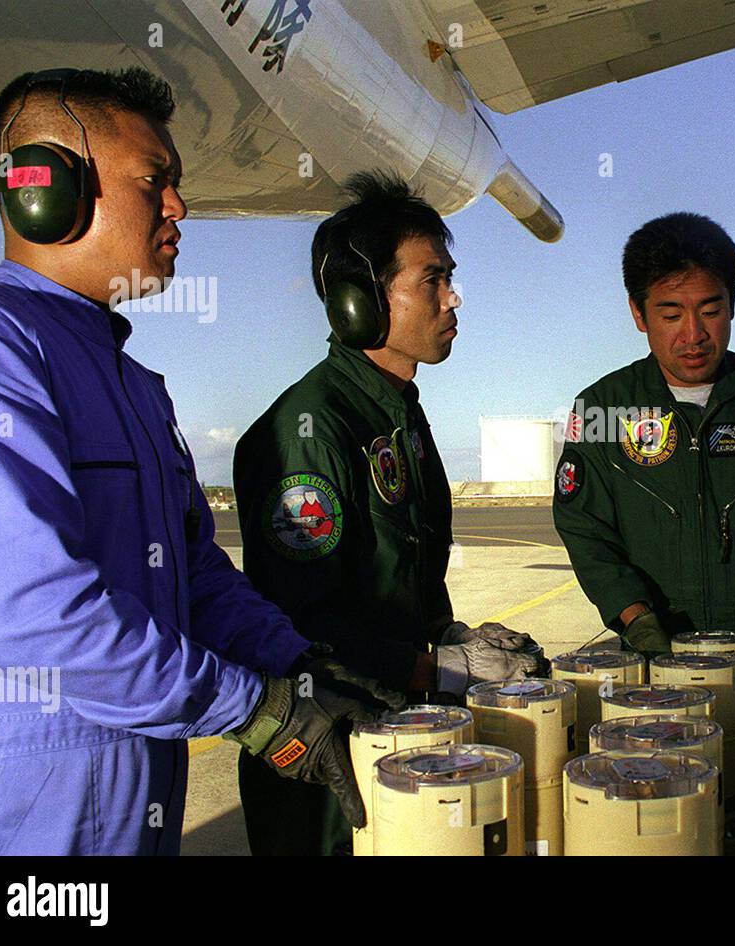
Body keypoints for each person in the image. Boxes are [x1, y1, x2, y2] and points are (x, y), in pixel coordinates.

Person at [0, 68, 394, 855]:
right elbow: (34, 620)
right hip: (31, 835)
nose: (179, 207)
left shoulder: (135, 386)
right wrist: (258, 711)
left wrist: (297, 663)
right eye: (155, 181)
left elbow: (193, 576)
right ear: (45, 189)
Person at [233, 170, 541, 855]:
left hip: (395, 736)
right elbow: (301, 625)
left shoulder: (398, 413)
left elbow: (402, 582)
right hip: (327, 763)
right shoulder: (308, 430)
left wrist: (460, 639)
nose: (454, 297)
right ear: (360, 300)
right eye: (433, 279)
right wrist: (440, 667)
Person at [552, 212, 735, 718]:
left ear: (733, 306)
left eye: (710, 311)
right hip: (653, 669)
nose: (693, 335)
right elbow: (584, 527)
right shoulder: (602, 408)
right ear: (638, 313)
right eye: (670, 315)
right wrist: (635, 618)